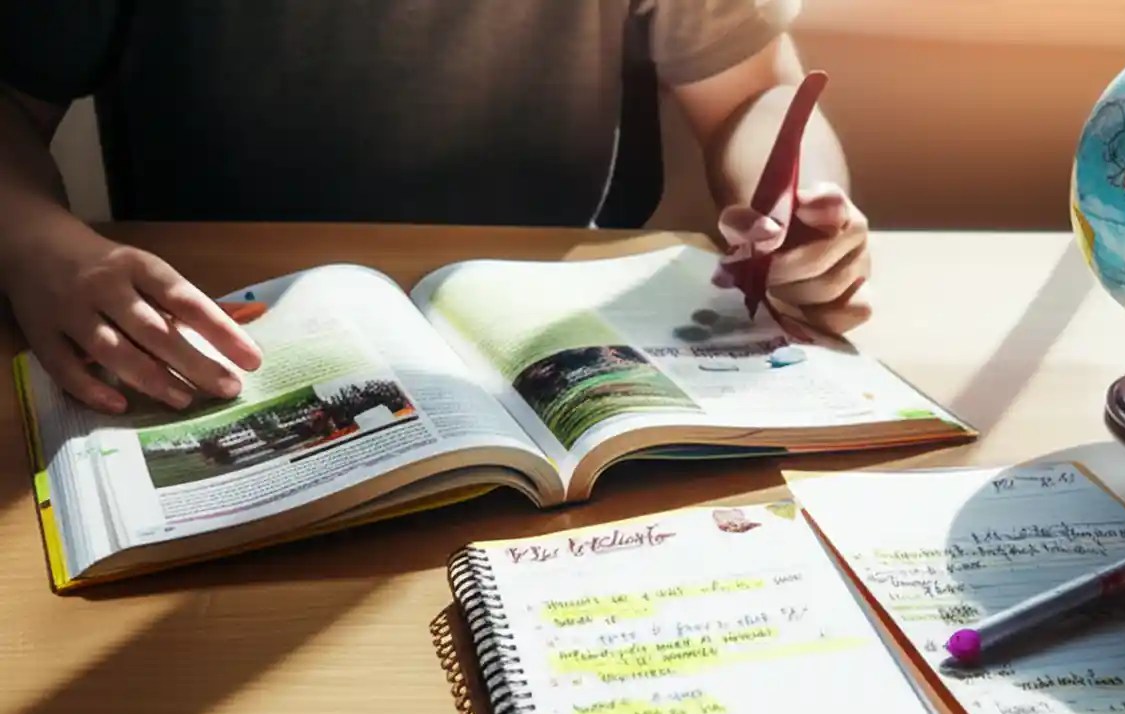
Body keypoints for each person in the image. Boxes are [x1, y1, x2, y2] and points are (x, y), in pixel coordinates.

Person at [0, 1, 871, 416]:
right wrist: (40, 246)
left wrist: (795, 205)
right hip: (209, 344)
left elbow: (759, 98)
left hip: (560, 341)